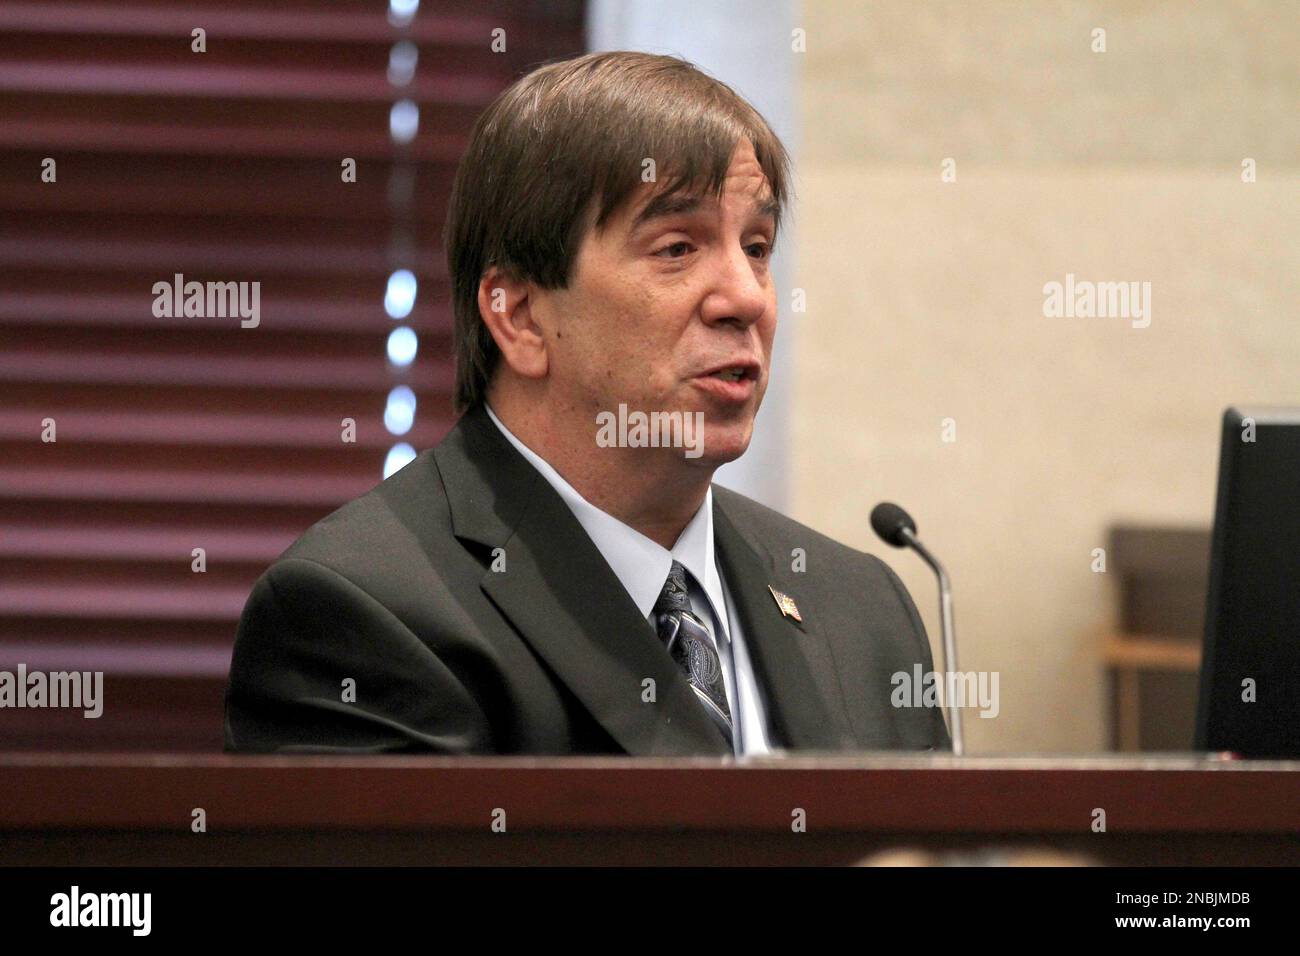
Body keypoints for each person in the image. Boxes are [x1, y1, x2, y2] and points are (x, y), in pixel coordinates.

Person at [224, 50, 951, 756]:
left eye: (757, 247)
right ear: (521, 318)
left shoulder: (864, 612)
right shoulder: (363, 613)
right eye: (676, 248)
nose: (746, 298)